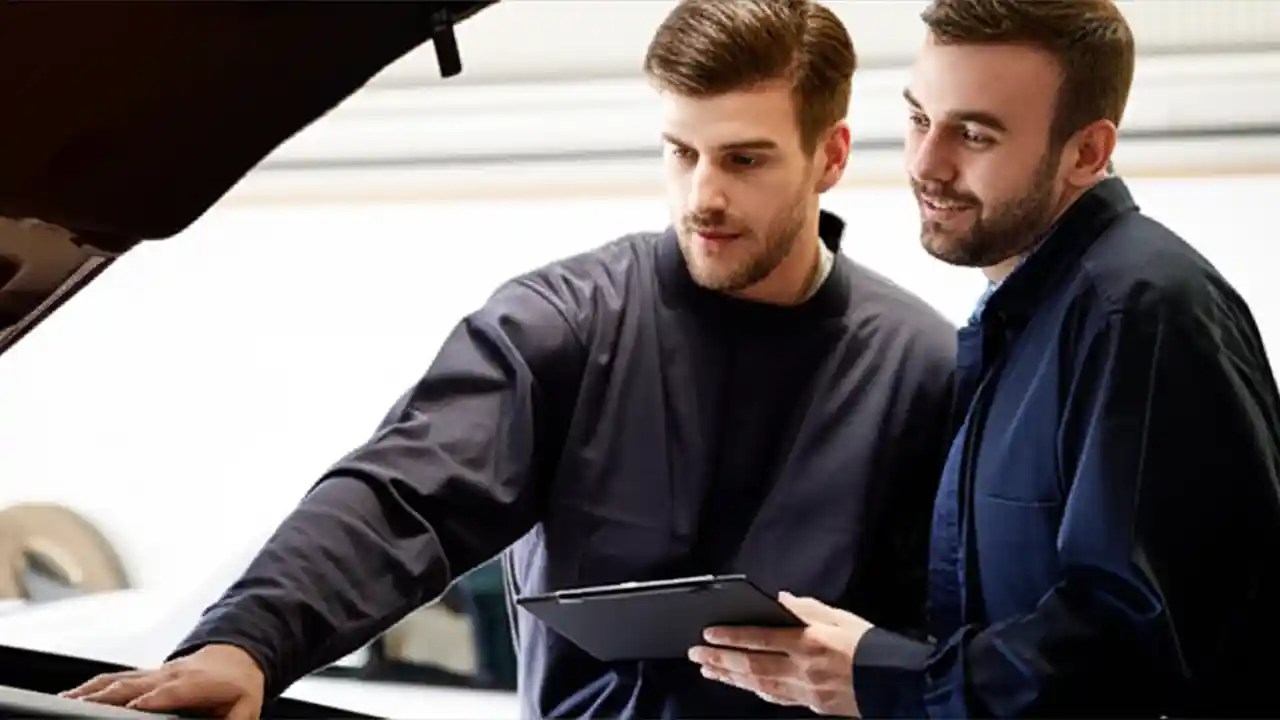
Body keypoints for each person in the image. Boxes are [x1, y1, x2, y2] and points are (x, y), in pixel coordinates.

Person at [62, 1, 959, 718]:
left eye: (744, 159)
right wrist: (245, 643)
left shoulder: (921, 367)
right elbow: (403, 494)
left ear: (829, 156)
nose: (704, 196)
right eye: (681, 153)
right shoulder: (568, 323)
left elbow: (953, 637)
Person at [690, 0, 1280, 716]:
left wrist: (883, 677)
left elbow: (1131, 648)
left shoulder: (1139, 311)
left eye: (973, 134)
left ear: (1087, 153)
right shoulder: (1027, 316)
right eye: (919, 119)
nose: (926, 164)